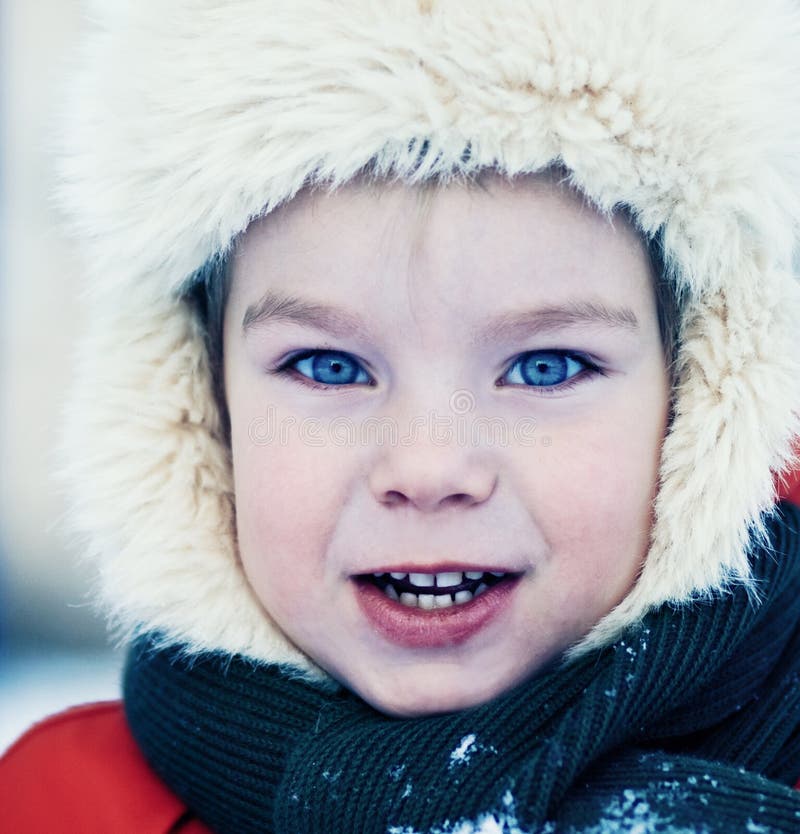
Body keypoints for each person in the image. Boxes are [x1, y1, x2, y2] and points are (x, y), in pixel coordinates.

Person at [2, 1, 800, 832]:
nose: (427, 468)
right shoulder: (52, 806)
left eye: (545, 367)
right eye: (329, 366)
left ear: (701, 403)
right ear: (200, 407)